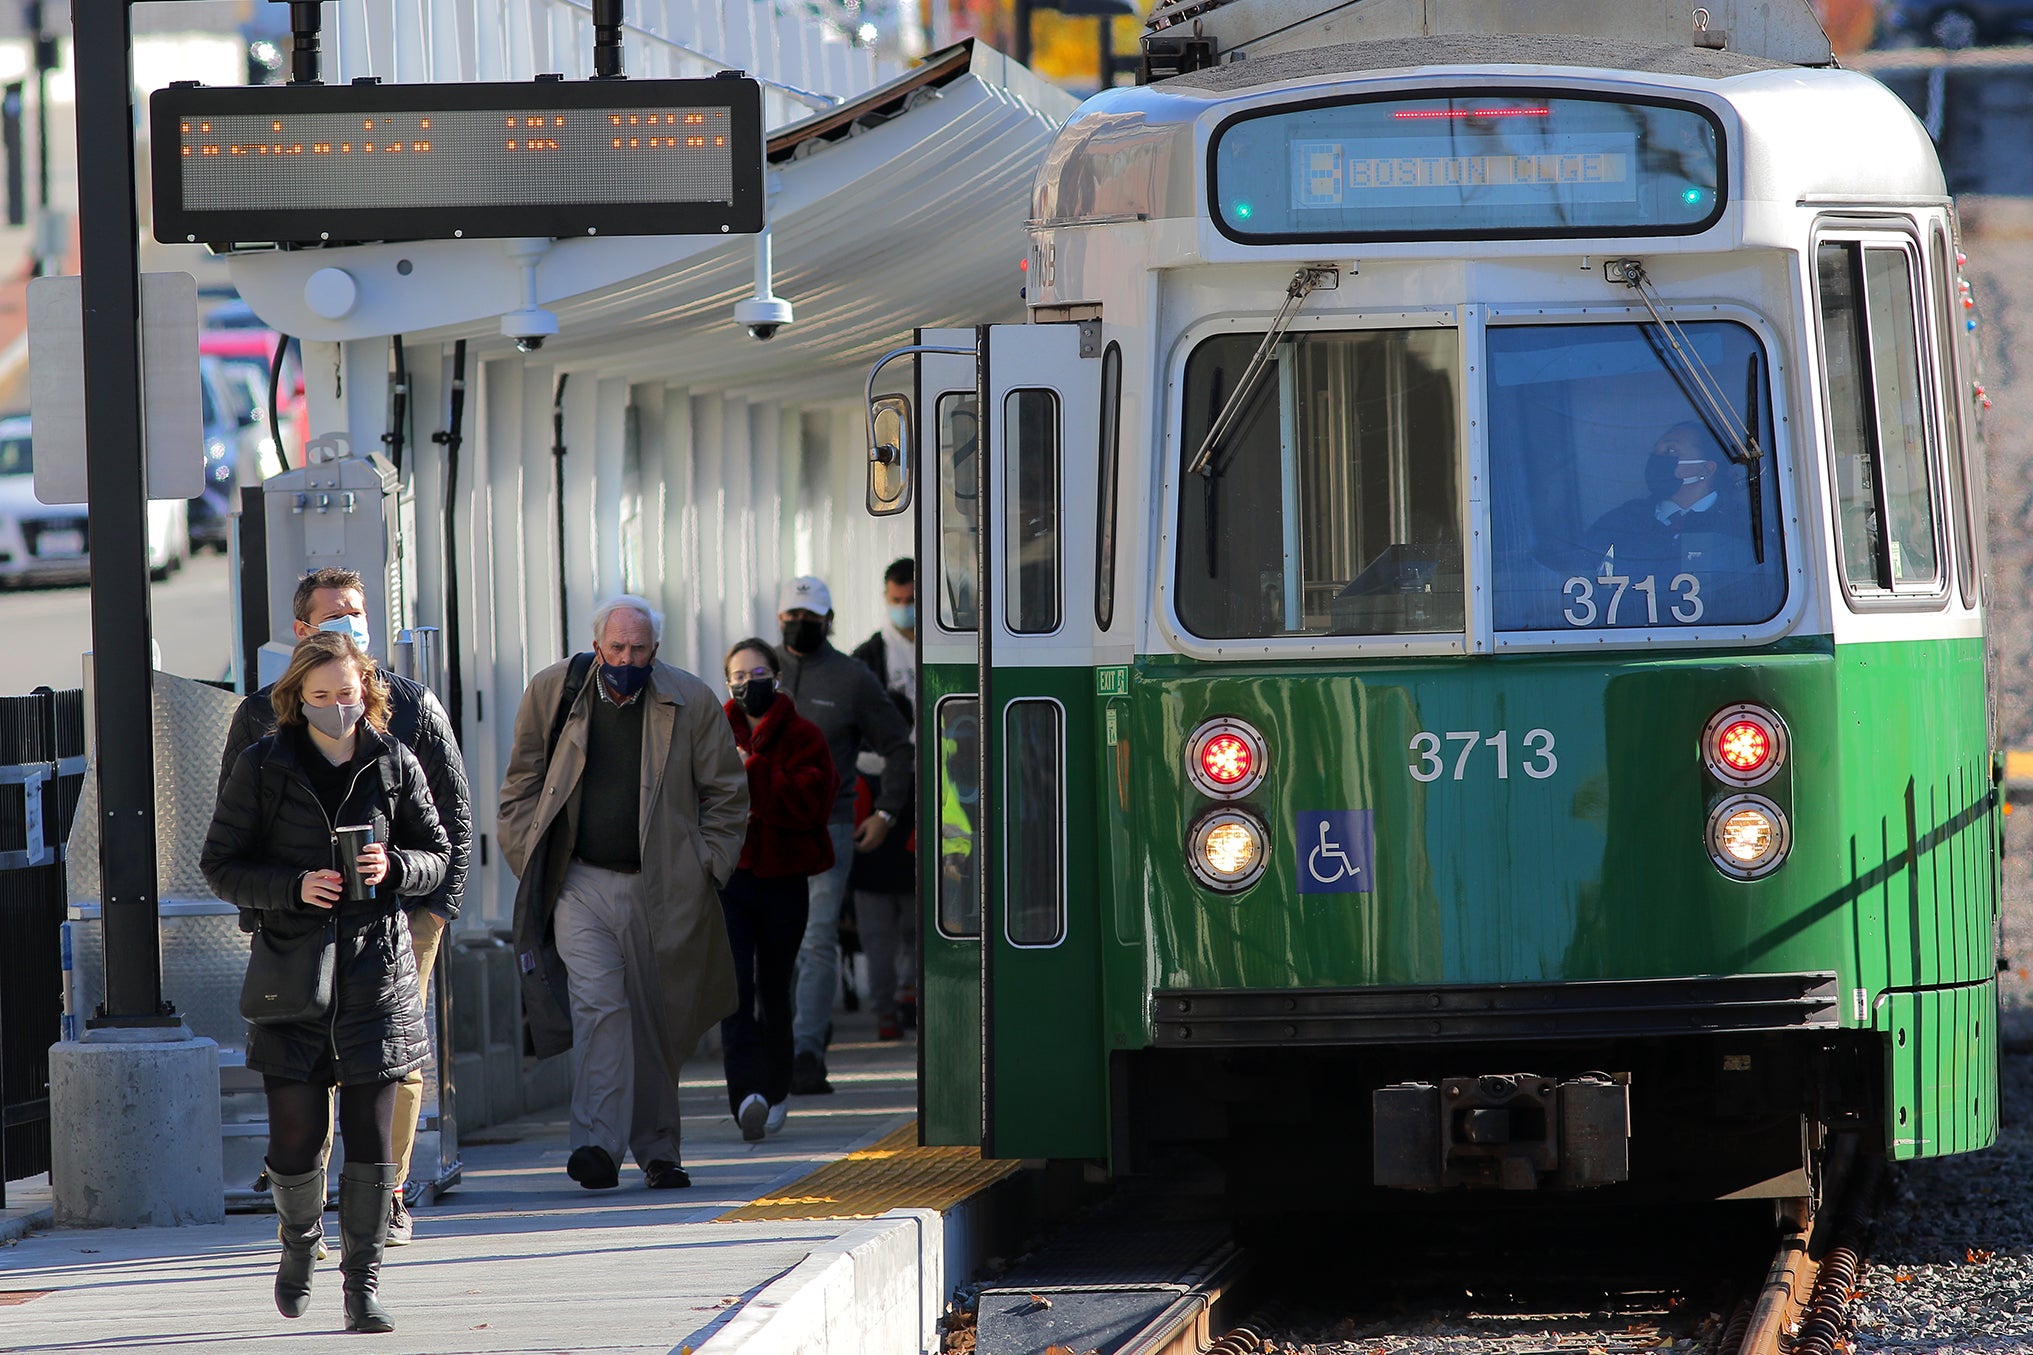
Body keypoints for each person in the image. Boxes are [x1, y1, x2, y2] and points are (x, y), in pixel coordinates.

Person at [201, 631, 451, 1334]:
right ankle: (298, 1241)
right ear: (296, 698)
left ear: (365, 692)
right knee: (295, 1138)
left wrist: (394, 867)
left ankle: (362, 1283)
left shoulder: (392, 760)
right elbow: (221, 863)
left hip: (377, 972)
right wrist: (294, 885)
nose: (337, 709)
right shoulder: (264, 763)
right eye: (321, 697)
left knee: (372, 1144)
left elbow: (437, 852)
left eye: (347, 695)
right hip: (295, 975)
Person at [498, 595, 748, 1191]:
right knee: (600, 1009)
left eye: (638, 650)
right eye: (616, 648)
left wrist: (706, 868)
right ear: (596, 646)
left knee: (656, 1019)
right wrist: (527, 857)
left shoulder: (690, 701)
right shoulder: (552, 691)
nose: (626, 659)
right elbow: (521, 782)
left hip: (663, 888)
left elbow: (728, 796)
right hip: (578, 880)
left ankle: (659, 1150)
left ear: (655, 651)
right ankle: (597, 1146)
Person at [776, 575, 915, 1094]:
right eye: (793, 616)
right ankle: (784, 1039)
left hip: (828, 829)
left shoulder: (853, 678)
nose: (801, 625)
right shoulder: (757, 670)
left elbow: (899, 745)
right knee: (776, 944)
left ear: (828, 621)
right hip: (764, 833)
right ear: (779, 618)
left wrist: (886, 813)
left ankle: (806, 1052)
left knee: (816, 940)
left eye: (811, 617)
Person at [718, 639, 838, 1140]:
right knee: (734, 990)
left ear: (779, 677)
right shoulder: (714, 733)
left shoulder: (805, 735)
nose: (749, 684)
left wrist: (757, 772)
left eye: (758, 672)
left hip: (785, 879)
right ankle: (745, 1094)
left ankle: (777, 1089)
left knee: (774, 988)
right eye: (738, 676)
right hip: (730, 880)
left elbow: (813, 800)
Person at [849, 559, 918, 1040]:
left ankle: (915, 992)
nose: (903, 610)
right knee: (876, 914)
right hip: (876, 793)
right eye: (895, 602)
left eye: (911, 601)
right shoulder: (864, 661)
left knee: (920, 907)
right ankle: (885, 1005)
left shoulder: (953, 647)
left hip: (935, 790)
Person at [1584, 422, 1752, 578]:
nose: (1658, 459)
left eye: (1670, 451)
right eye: (1655, 452)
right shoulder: (1621, 522)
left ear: (1707, 469)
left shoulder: (1742, 525)